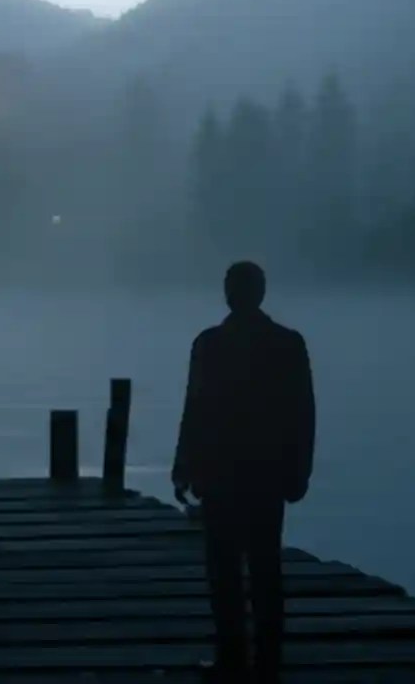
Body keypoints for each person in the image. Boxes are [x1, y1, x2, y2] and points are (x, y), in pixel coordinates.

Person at [172, 261, 316, 684]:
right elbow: (303, 415)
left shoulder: (211, 343)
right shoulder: (286, 344)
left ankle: (232, 659)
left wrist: (184, 465)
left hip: (221, 473)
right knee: (264, 567)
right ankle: (266, 661)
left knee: (227, 572)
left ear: (231, 293)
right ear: (261, 293)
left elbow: (195, 410)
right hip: (265, 474)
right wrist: (299, 471)